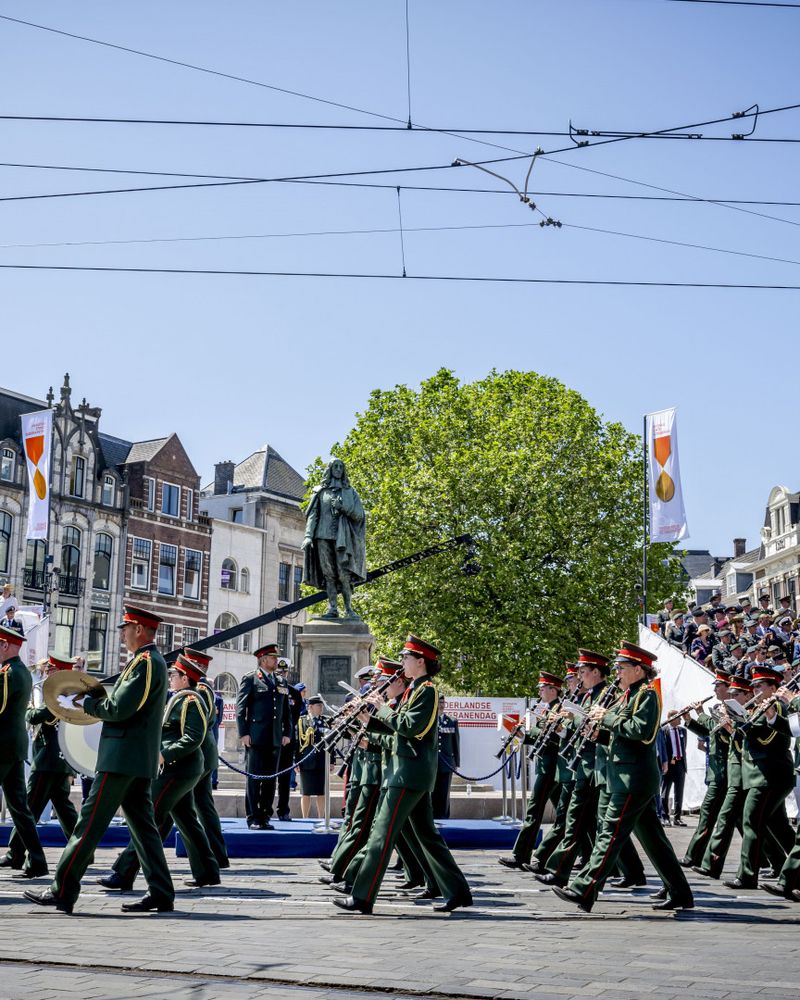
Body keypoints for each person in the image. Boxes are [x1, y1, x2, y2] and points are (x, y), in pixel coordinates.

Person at [25, 605, 174, 915]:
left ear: (138, 630)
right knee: (145, 829)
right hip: (133, 758)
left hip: (122, 758)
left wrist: (89, 703)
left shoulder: (146, 663)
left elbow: (120, 708)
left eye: (125, 628)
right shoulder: (146, 662)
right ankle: (161, 892)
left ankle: (62, 889)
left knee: (89, 823)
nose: (121, 633)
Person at [333, 635, 472, 915]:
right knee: (428, 837)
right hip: (406, 772)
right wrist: (366, 720)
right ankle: (458, 892)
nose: (403, 664)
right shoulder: (414, 691)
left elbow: (412, 728)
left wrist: (381, 709)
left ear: (421, 662)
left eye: (407, 658)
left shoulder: (428, 691)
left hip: (408, 774)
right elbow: (396, 731)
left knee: (381, 836)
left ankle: (362, 896)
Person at [553, 641, 693, 913]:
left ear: (639, 669)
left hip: (633, 778)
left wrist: (605, 719)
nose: (617, 672)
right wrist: (598, 733)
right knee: (654, 841)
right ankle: (680, 892)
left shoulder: (647, 695)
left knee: (610, 833)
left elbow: (643, 732)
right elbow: (620, 733)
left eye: (622, 667)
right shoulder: (626, 695)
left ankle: (585, 888)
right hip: (622, 776)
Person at [97, 652, 220, 892]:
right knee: (186, 820)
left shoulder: (191, 701)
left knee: (149, 818)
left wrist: (166, 753)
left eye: (175, 674)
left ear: (185, 678)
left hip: (178, 770)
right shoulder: (179, 699)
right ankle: (207, 871)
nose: (171, 677)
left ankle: (124, 873)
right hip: (180, 770)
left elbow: (194, 737)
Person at [534, 650, 612, 887]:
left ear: (596, 672)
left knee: (595, 824)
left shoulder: (607, 695)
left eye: (582, 672)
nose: (578, 677)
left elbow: (598, 728)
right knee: (579, 820)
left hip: (598, 767)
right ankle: (561, 871)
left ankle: (566, 872)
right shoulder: (590, 697)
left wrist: (574, 719)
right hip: (586, 766)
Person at [2, 654, 79, 871]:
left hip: (49, 759)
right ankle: (82, 850)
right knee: (63, 810)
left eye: (50, 669)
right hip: (56, 759)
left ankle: (16, 853)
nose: (46, 673)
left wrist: (26, 708)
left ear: (59, 671)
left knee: (28, 806)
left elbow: (40, 717)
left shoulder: (62, 694)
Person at [723, 665, 795, 890]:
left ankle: (747, 876)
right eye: (753, 686)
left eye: (760, 686)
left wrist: (745, 725)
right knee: (780, 828)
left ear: (774, 687)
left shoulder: (779, 707)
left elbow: (771, 739)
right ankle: (791, 871)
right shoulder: (759, 708)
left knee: (752, 820)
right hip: (762, 774)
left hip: (770, 774)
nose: (754, 691)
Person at [498, 671, 562, 873]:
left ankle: (521, 855)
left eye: (543, 688)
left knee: (535, 811)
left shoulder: (559, 709)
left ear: (554, 690)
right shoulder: (548, 710)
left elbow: (555, 737)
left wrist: (530, 733)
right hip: (548, 766)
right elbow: (539, 736)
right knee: (568, 815)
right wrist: (522, 734)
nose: (540, 691)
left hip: (552, 767)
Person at [0, 625, 48, 878]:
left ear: (5, 646)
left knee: (21, 807)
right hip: (12, 746)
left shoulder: (8, 673)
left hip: (2, 746)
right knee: (20, 807)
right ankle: (37, 860)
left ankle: (36, 860)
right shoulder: (21, 672)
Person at [236, 642, 292, 830]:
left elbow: (286, 711)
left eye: (276, 657)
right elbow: (241, 708)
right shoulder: (251, 679)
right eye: (273, 657)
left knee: (270, 778)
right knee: (254, 778)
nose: (276, 660)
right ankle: (253, 816)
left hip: (275, 738)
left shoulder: (281, 681)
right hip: (256, 737)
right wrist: (243, 733)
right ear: (263, 659)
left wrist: (287, 732)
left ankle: (266, 814)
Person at [302, 458, 367, 620]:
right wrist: (308, 536)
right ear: (330, 470)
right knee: (328, 574)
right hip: (322, 537)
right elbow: (313, 516)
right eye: (335, 466)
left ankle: (348, 609)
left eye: (341, 466)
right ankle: (332, 608)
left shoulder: (350, 493)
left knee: (343, 575)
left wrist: (343, 508)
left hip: (342, 540)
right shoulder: (320, 492)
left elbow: (359, 516)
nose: (338, 469)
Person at [183, 647, 229, 870]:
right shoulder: (205, 689)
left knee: (184, 809)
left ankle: (209, 859)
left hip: (198, 755)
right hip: (204, 754)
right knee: (203, 806)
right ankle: (217, 855)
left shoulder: (200, 690)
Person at [679, 671, 731, 867]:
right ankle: (770, 859)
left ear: (728, 688)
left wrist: (700, 714)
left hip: (724, 771)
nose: (715, 689)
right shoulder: (719, 707)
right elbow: (711, 734)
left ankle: (693, 856)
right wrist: (689, 720)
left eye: (718, 686)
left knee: (708, 813)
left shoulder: (732, 709)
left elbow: (719, 730)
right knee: (741, 820)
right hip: (718, 770)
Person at [296, 696, 328, 817]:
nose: (321, 708)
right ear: (310, 707)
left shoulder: (325, 721)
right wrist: (296, 761)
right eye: (318, 706)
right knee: (306, 792)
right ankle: (305, 818)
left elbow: (331, 741)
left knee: (321, 792)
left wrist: (332, 761)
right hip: (306, 760)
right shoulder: (302, 721)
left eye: (321, 706)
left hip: (321, 760)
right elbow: (297, 741)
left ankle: (321, 816)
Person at [432, 694, 460, 819]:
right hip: (431, 763)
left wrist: (456, 763)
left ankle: (444, 818)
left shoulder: (451, 721)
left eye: (443, 702)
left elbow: (456, 743)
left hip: (447, 763)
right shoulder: (429, 721)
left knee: (444, 794)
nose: (441, 705)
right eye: (439, 702)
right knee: (431, 793)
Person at [660, 711, 688, 826]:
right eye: (678, 718)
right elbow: (662, 747)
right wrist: (666, 760)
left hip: (680, 764)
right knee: (665, 792)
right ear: (671, 718)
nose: (680, 720)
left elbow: (683, 746)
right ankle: (665, 816)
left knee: (679, 792)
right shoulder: (663, 730)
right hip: (668, 765)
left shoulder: (683, 731)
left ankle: (677, 817)